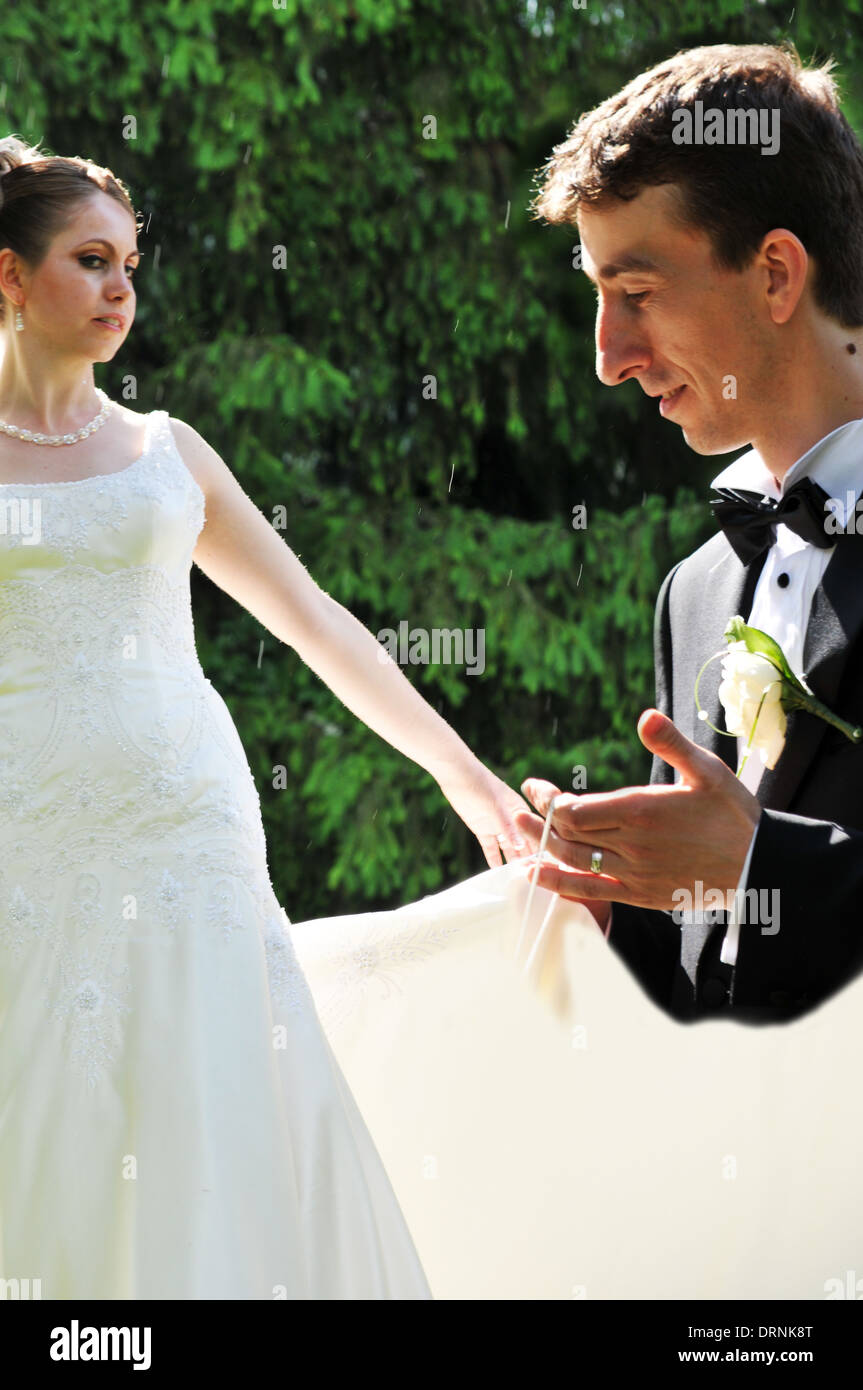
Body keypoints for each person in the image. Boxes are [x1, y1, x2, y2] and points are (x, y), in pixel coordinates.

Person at [0, 133, 539, 1299]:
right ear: (8, 277)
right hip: (26, 845)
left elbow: (313, 618)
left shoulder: (165, 451)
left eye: (130, 264)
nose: (121, 289)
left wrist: (463, 776)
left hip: (188, 833)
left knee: (211, 1106)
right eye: (91, 261)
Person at [517, 42, 863, 1026]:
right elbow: (701, 977)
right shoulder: (694, 590)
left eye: (635, 294)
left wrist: (759, 865)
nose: (606, 358)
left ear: (773, 274)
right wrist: (612, 907)